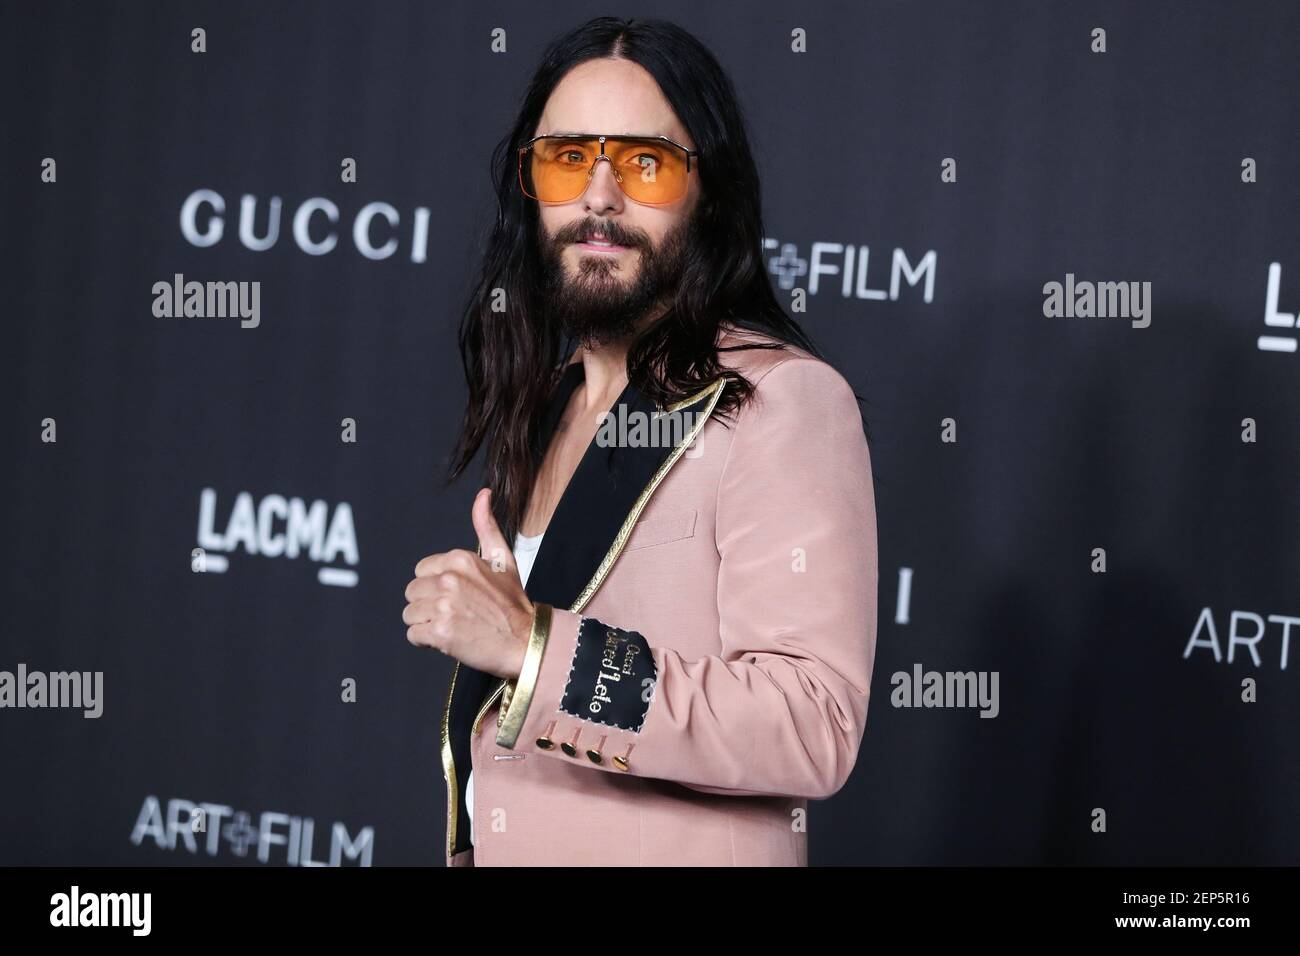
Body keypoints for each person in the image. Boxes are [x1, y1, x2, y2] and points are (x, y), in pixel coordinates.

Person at [402, 16, 878, 866]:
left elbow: (813, 722)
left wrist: (533, 647)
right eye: (567, 158)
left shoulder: (781, 400)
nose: (599, 197)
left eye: (645, 164)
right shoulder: (550, 401)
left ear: (710, 192)